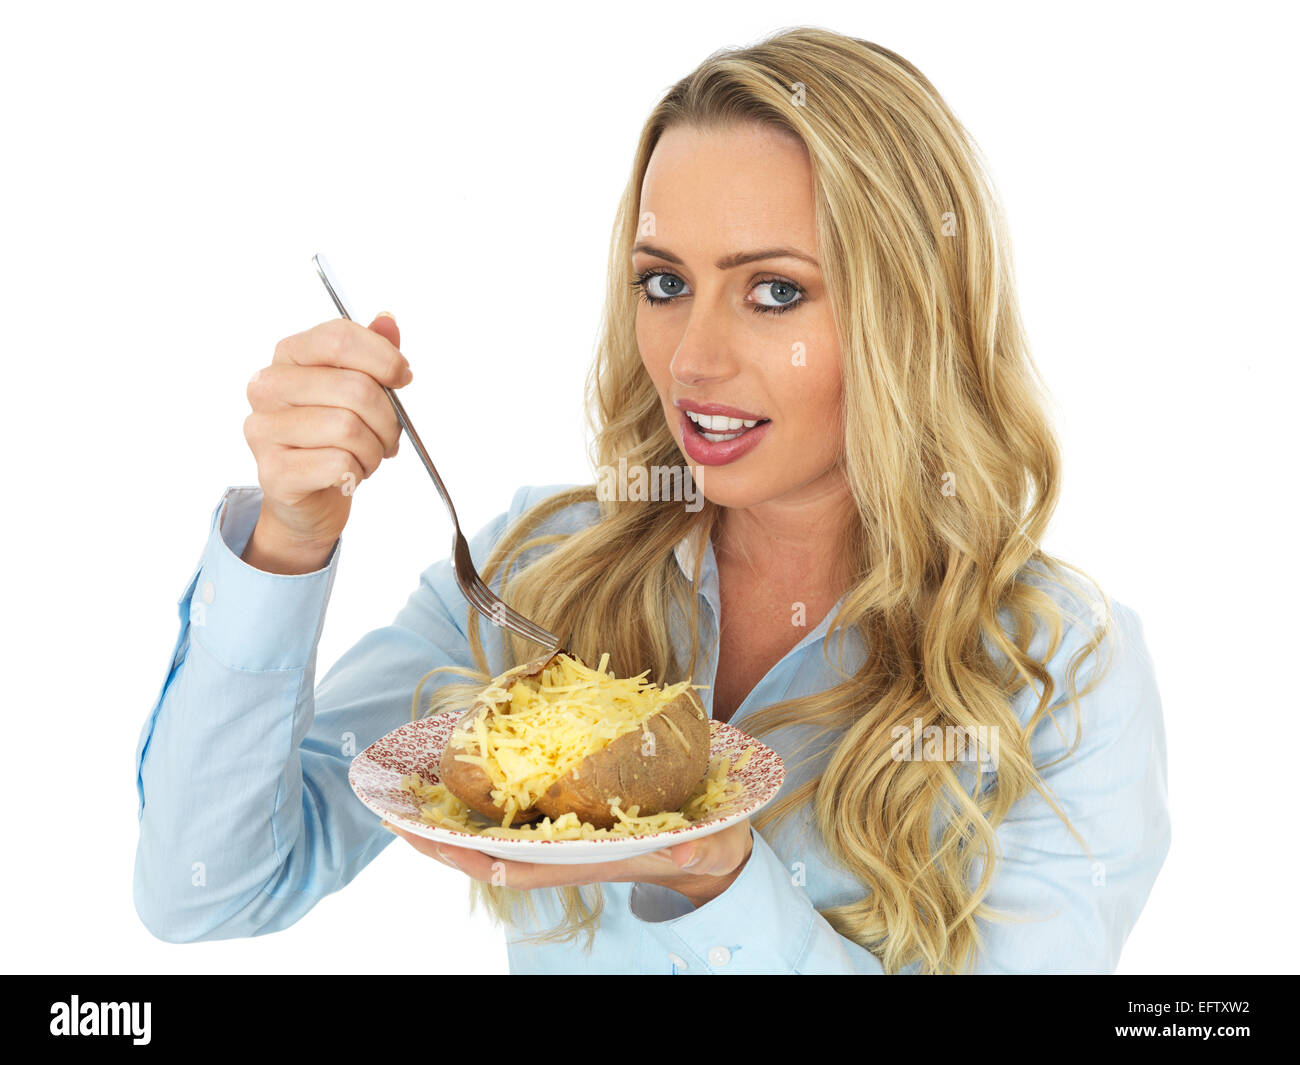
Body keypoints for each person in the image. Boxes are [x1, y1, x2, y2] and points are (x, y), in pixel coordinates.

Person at [133, 26, 1170, 974]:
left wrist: (717, 878)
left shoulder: (1059, 673)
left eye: (774, 292)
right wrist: (288, 542)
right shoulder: (533, 568)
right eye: (664, 284)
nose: (695, 358)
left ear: (910, 312)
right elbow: (213, 890)